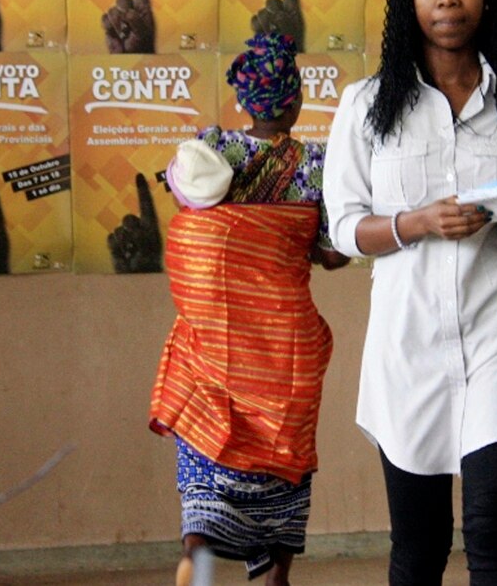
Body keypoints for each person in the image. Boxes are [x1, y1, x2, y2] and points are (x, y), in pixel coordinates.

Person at [321, 0, 497, 585]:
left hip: (495, 338)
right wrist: (417, 222)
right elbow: (344, 229)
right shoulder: (366, 106)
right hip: (408, 347)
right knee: (419, 544)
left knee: (492, 532)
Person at [150, 32, 350, 586]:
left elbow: (185, 203)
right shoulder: (315, 163)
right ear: (297, 98)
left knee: (206, 447)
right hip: (284, 350)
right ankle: (275, 574)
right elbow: (332, 255)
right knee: (285, 454)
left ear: (242, 98)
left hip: (214, 342)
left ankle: (197, 548)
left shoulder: (211, 147)